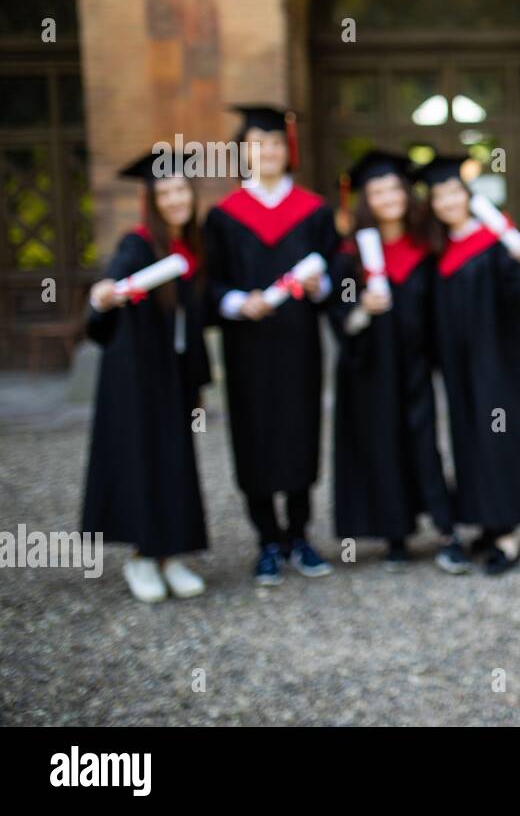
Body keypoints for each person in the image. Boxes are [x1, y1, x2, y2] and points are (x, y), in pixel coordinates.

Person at [203, 105, 338, 585]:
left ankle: (299, 535)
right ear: (244, 152)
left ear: (288, 151)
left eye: (276, 143)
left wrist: (319, 284)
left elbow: (334, 283)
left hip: (299, 344)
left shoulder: (314, 212)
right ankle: (265, 540)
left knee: (301, 432)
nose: (268, 152)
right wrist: (240, 302)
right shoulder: (223, 218)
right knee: (253, 435)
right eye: (258, 144)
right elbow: (209, 285)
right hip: (247, 347)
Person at [415, 155, 520, 575]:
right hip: (458, 369)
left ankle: (507, 533)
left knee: (501, 437)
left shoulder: (497, 243)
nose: (446, 202)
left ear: (468, 195)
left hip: (499, 363)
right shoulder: (438, 250)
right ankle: (486, 522)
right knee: (469, 438)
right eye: (438, 196)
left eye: (453, 192)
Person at [82, 151, 210, 603]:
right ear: (151, 202)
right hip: (136, 378)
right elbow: (112, 285)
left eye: (180, 191)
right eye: (165, 194)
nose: (175, 199)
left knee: (176, 460)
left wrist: (198, 382)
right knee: (144, 459)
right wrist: (102, 296)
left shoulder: (191, 248)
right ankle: (141, 556)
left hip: (175, 375)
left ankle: (171, 554)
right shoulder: (137, 245)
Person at [327, 151, 451, 565]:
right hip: (370, 370)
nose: (387, 198)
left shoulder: (427, 247)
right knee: (381, 443)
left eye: (394, 188)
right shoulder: (349, 256)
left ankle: (443, 526)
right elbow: (339, 313)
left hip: (415, 365)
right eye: (377, 191)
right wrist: (363, 306)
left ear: (406, 193)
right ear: (367, 199)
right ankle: (394, 533)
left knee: (422, 439)